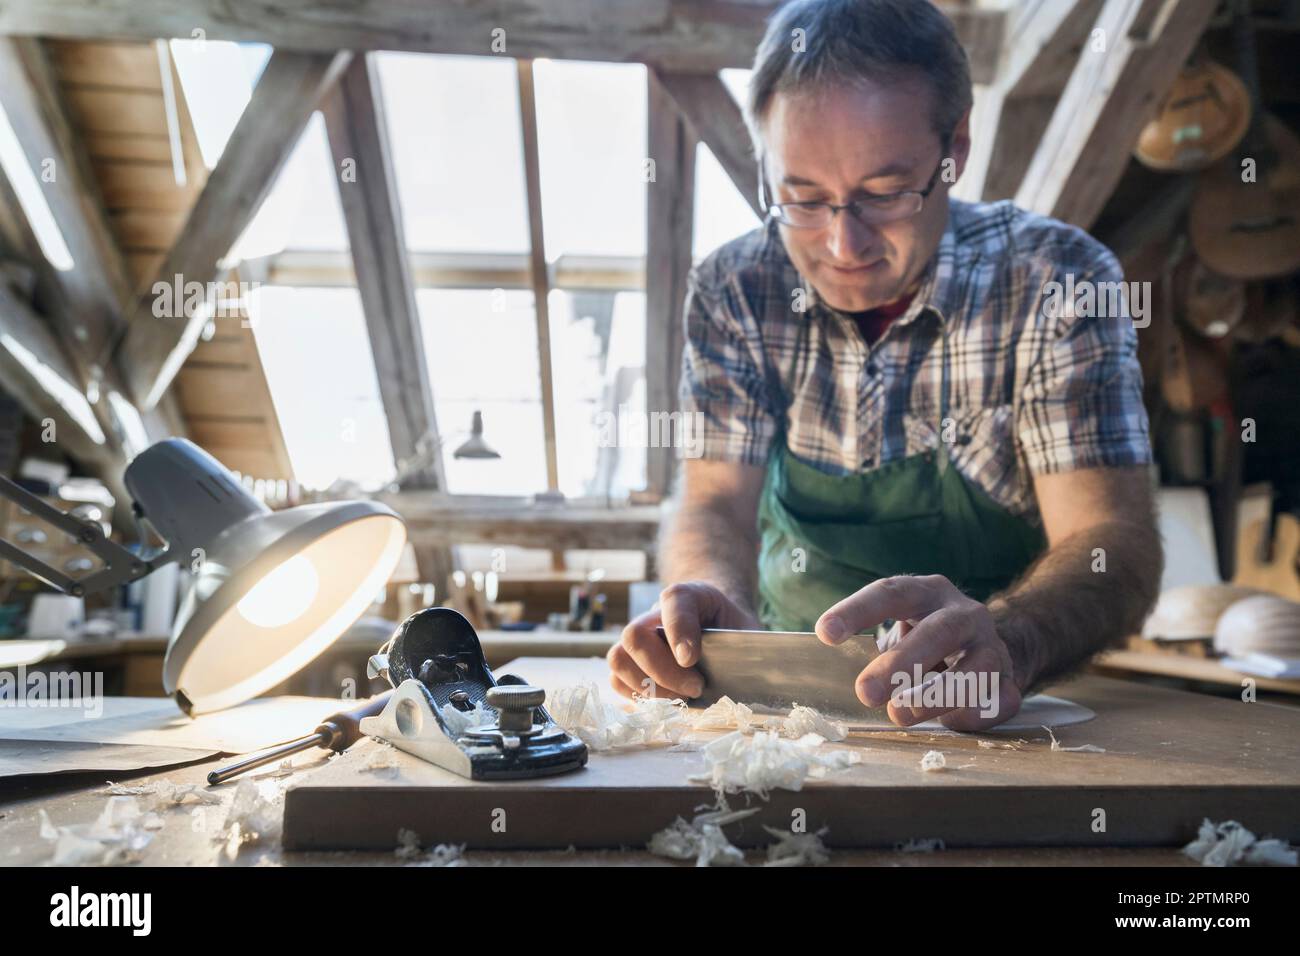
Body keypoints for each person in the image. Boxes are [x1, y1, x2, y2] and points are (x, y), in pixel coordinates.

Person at [609, 0, 1162, 730]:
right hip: (791, 718)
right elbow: (712, 502)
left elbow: (1113, 543)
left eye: (884, 195)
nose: (843, 244)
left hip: (1003, 722)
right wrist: (711, 605)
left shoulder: (1058, 280)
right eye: (802, 199)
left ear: (954, 148)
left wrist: (1014, 639)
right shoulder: (736, 289)